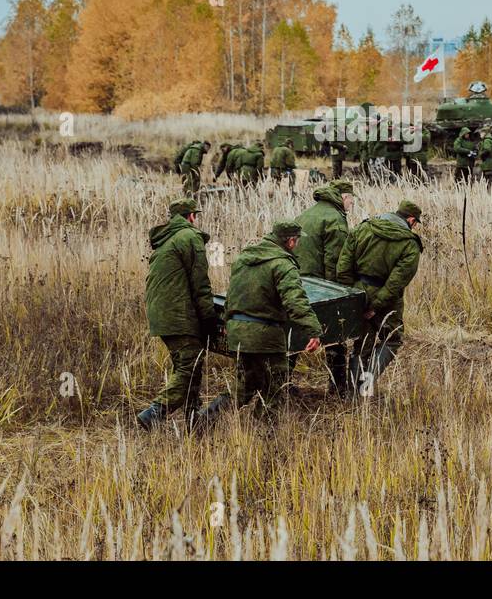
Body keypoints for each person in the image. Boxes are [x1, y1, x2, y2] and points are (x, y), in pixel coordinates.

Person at [206, 221, 323, 419]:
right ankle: (265, 428)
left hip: (238, 330)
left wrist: (227, 321)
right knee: (276, 384)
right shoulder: (283, 265)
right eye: (297, 240)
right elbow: (295, 301)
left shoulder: (243, 259)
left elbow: (232, 295)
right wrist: (313, 331)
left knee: (245, 385)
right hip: (265, 334)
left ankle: (205, 419)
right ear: (291, 241)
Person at [137, 198, 217, 431]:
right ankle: (154, 413)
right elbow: (200, 284)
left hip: (162, 315)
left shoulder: (167, 240)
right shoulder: (190, 237)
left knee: (189, 365)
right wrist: (209, 320)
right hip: (178, 315)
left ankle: (193, 419)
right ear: (191, 216)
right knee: (189, 368)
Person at [336, 199, 423, 397]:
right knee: (392, 339)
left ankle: (353, 394)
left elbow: (343, 266)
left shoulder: (363, 228)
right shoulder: (409, 243)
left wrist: (352, 295)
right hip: (386, 299)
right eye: (415, 223)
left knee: (362, 344)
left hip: (358, 291)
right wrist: (375, 306)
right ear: (411, 220)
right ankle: (365, 386)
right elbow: (396, 282)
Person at [294, 179, 355, 394]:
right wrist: (338, 296)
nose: (352, 204)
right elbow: (335, 262)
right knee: (336, 334)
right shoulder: (335, 220)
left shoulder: (307, 213)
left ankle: (282, 383)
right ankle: (338, 388)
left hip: (297, 280)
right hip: (319, 285)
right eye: (351, 200)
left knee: (296, 331)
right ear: (344, 197)